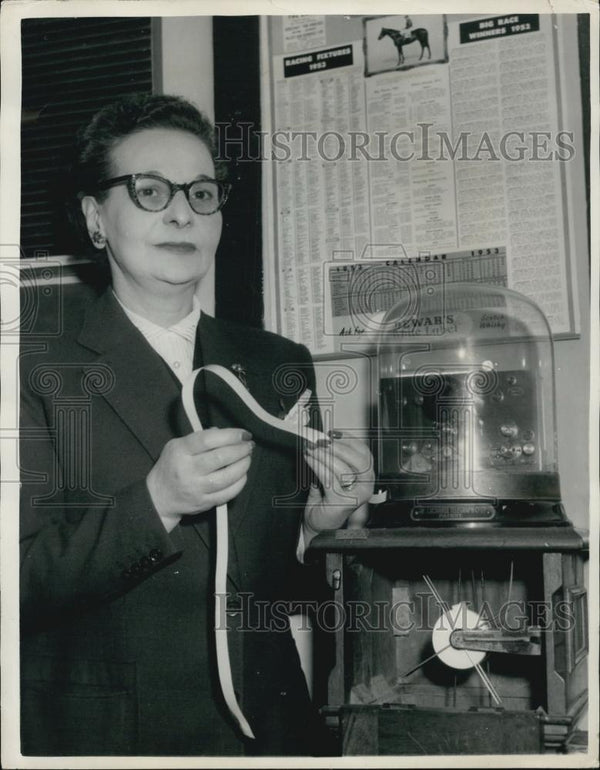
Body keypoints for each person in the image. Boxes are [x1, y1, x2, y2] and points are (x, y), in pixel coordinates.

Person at [19, 93, 374, 756]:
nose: (182, 212)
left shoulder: (278, 364)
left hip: (271, 732)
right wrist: (156, 503)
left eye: (202, 193)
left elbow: (269, 575)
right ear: (97, 218)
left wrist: (318, 522)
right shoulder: (33, 371)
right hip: (115, 737)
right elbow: (18, 584)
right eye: (149, 190)